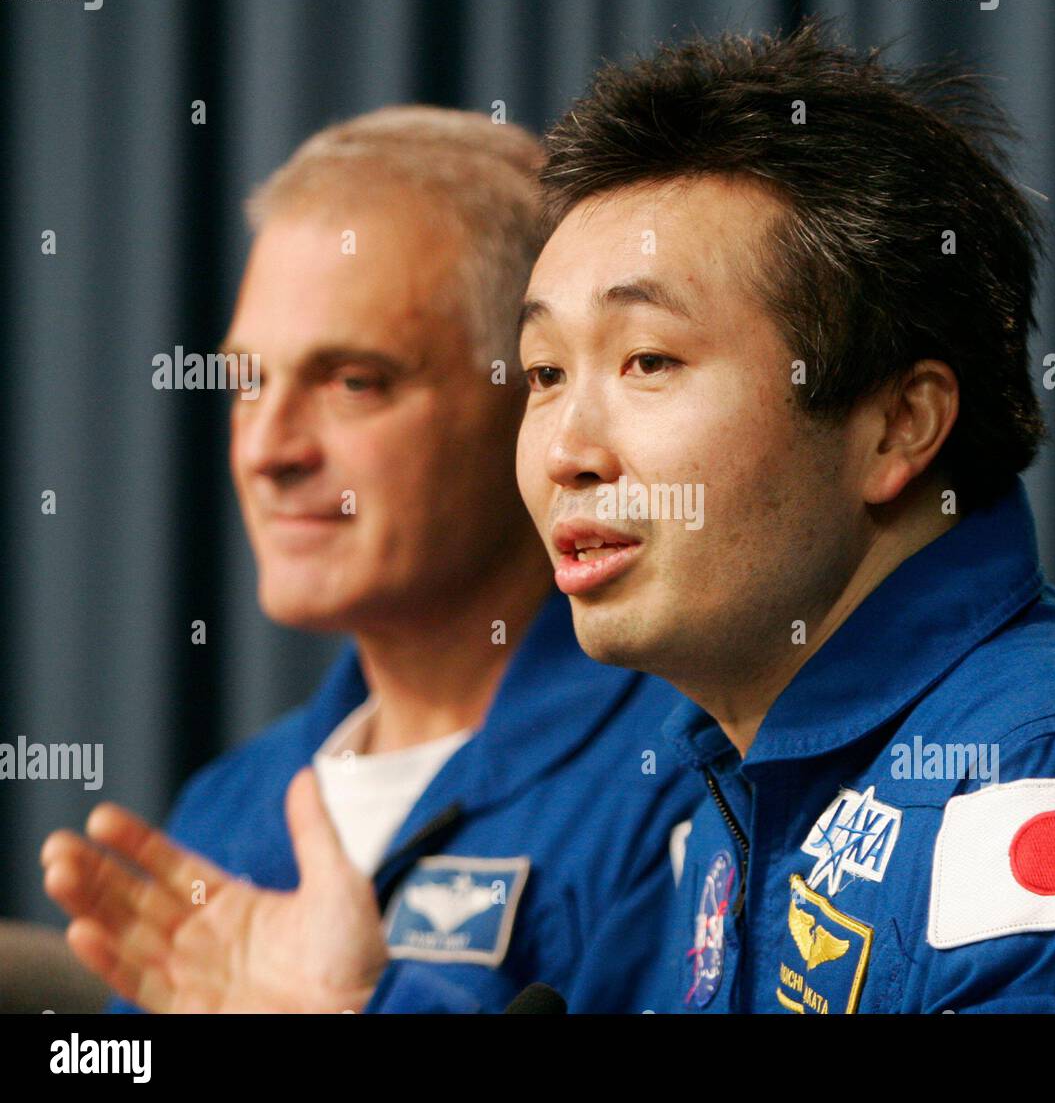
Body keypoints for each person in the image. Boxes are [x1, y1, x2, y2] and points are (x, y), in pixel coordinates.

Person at [514, 24, 1055, 1013]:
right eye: (544, 374)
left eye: (649, 362)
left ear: (896, 426)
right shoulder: (733, 771)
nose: (562, 453)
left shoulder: (1048, 777)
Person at [41, 106, 698, 1014]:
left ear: (534, 395)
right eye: (247, 383)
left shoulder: (689, 771)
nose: (268, 450)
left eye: (355, 382)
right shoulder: (228, 807)